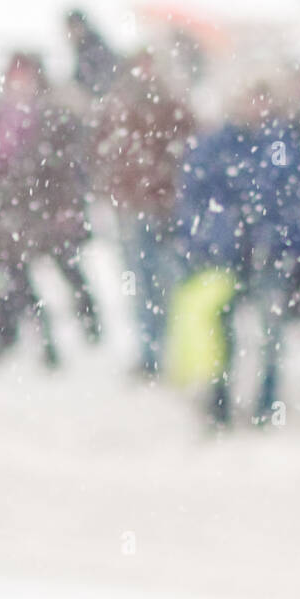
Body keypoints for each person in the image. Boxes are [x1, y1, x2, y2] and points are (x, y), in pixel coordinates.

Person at [174, 80, 300, 424]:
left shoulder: (282, 144)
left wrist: (285, 239)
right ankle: (219, 401)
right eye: (250, 97)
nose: (256, 106)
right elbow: (195, 195)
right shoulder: (215, 143)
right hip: (226, 254)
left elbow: (298, 198)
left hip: (269, 251)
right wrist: (210, 237)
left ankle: (267, 404)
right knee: (222, 331)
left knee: (270, 334)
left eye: (263, 98)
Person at [92, 50, 195, 375]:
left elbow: (191, 147)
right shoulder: (118, 107)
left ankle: (167, 352)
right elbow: (101, 151)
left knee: (165, 281)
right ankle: (151, 353)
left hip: (163, 206)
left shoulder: (171, 105)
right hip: (134, 206)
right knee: (141, 282)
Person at [0, 51, 99, 360]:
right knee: (18, 275)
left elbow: (67, 168)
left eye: (25, 75)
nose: (20, 82)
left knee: (63, 267)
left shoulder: (54, 115)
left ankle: (88, 319)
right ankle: (35, 338)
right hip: (11, 208)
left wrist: (67, 207)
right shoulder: (5, 114)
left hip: (44, 206)